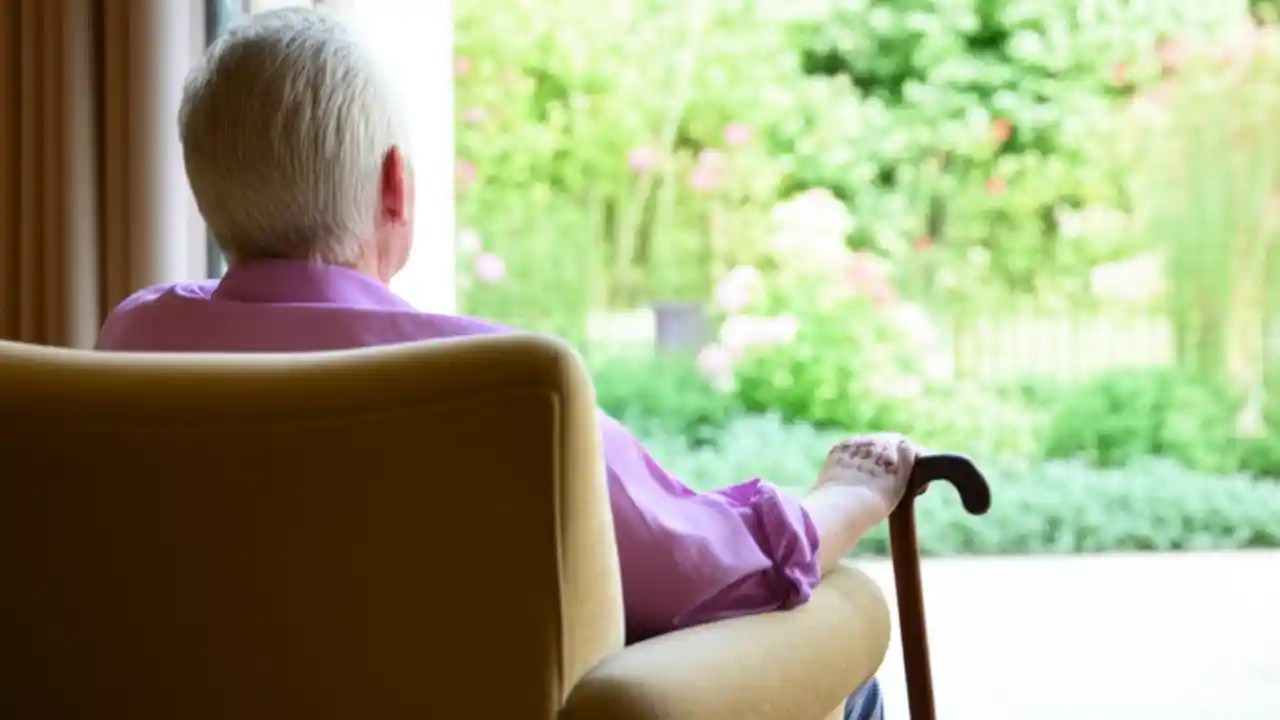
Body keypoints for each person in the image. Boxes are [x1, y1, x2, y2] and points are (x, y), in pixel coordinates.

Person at [95, 9, 917, 718]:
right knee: (843, 660)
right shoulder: (494, 384)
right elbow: (719, 573)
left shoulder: (132, 345)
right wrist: (845, 494)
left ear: (205, 190)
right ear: (394, 187)